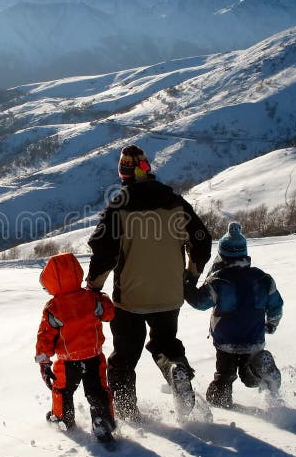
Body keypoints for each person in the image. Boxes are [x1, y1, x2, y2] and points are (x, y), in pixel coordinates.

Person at [86, 144, 211, 422]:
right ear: (147, 169)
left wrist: (93, 287)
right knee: (166, 343)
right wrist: (190, 277)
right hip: (170, 294)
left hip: (129, 299)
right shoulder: (176, 202)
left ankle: (128, 414)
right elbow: (202, 241)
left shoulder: (119, 204)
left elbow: (104, 253)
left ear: (123, 173)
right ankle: (175, 368)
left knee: (124, 358)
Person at [183, 222, 284, 408]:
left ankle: (220, 402)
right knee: (249, 377)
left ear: (222, 254)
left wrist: (186, 284)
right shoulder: (262, 278)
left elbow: (200, 302)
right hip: (254, 338)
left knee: (225, 376)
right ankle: (261, 367)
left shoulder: (219, 281)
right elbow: (276, 305)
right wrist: (271, 324)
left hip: (226, 341)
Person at [35, 252, 116, 443]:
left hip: (67, 361)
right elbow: (109, 313)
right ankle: (102, 421)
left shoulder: (52, 308)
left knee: (62, 389)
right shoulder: (92, 298)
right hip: (94, 357)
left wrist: (44, 361)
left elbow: (45, 337)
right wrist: (101, 297)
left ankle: (63, 418)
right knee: (97, 391)